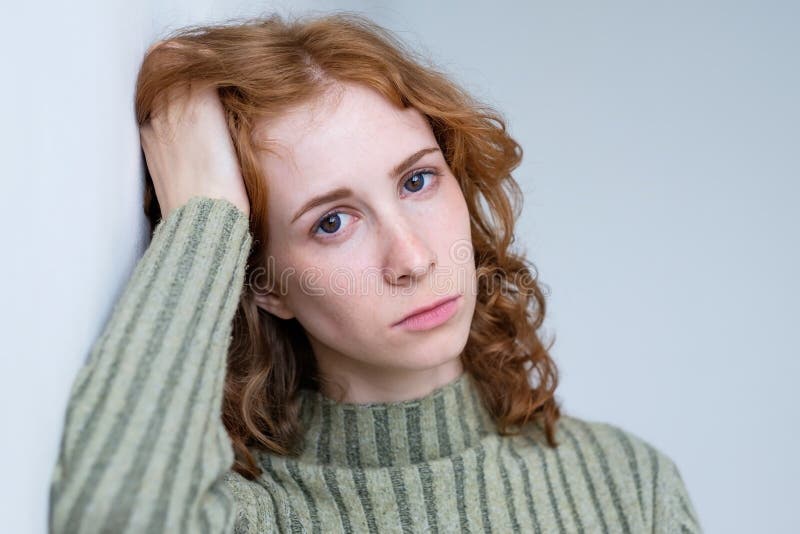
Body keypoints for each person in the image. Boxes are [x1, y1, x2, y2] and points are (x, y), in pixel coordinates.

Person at [48, 11, 702, 533]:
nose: (413, 259)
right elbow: (111, 517)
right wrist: (206, 215)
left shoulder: (629, 490)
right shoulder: (255, 517)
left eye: (418, 181)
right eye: (332, 222)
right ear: (263, 283)